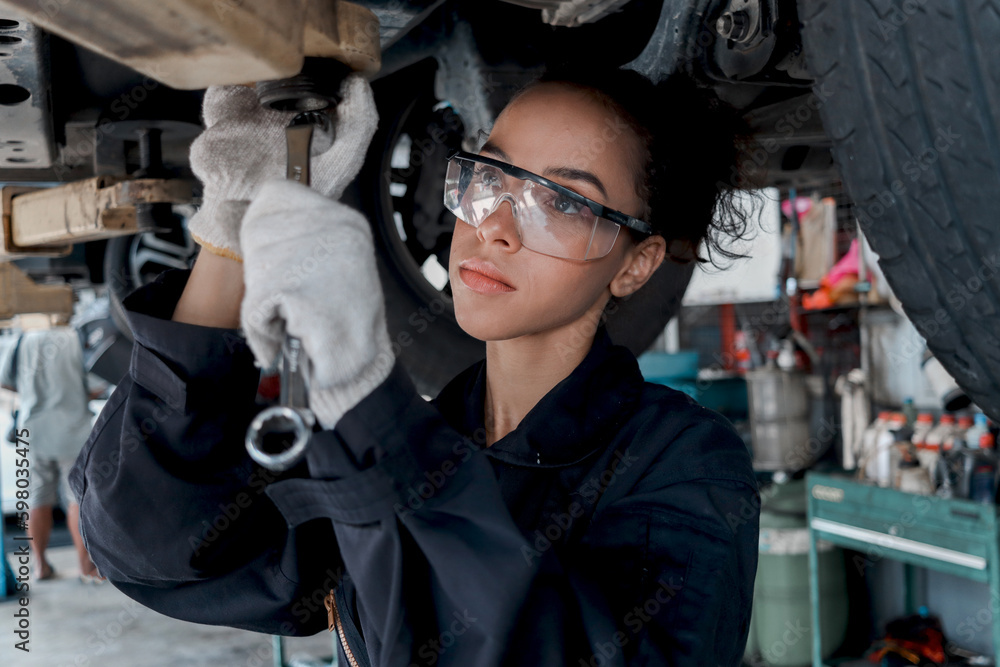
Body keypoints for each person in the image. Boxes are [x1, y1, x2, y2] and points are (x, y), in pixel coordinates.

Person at [70, 65, 761, 665]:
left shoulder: (686, 464)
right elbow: (153, 543)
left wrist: (371, 408)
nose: (493, 224)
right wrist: (233, 226)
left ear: (636, 263)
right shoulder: (423, 439)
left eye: (561, 200)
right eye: (492, 175)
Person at [2, 323, 103, 583]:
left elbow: (5, 380)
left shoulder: (21, 340)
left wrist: (33, 391)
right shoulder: (76, 338)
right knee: (76, 498)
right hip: (71, 430)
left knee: (37, 498)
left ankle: (39, 566)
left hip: (32, 430)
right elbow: (95, 386)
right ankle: (85, 566)